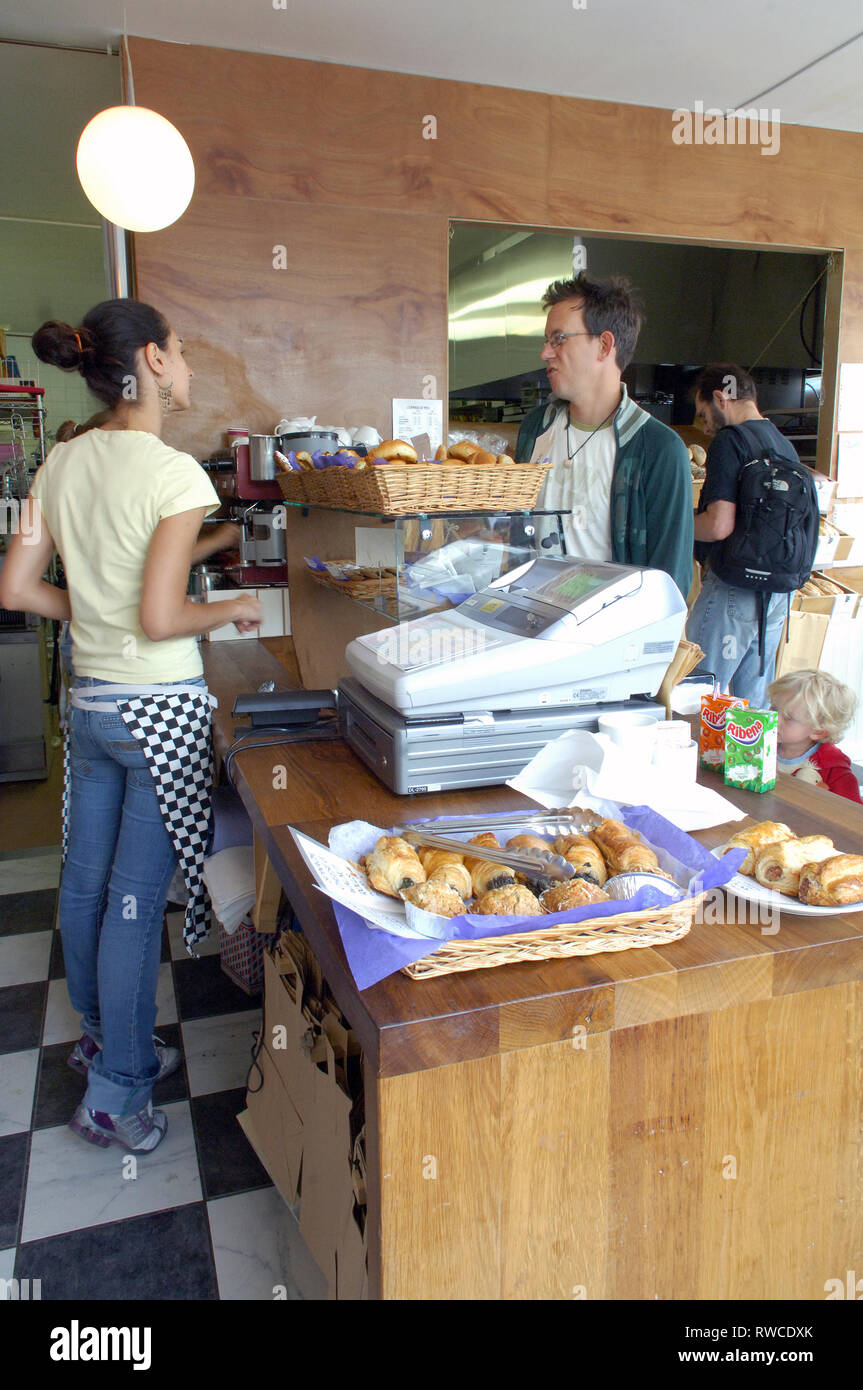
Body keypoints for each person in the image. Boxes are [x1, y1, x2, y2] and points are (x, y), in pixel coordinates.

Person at [0, 298, 263, 1154]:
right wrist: (228, 608)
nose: (187, 370)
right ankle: (118, 1090)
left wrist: (84, 611)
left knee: (87, 877)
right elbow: (158, 616)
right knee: (132, 899)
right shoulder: (176, 473)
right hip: (157, 708)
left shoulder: (62, 463)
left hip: (91, 704)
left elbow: (16, 589)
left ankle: (96, 1035)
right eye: (181, 354)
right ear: (149, 361)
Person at [515, 272, 693, 600]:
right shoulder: (535, 430)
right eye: (546, 340)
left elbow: (670, 587)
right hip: (530, 632)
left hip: (607, 642)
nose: (545, 353)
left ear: (604, 345)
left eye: (558, 339)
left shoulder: (657, 449)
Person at [687, 362, 816, 707]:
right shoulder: (783, 443)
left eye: (703, 414)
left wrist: (677, 523)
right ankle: (748, 762)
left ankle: (696, 762)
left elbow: (718, 525)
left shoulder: (731, 441)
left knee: (698, 694)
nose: (705, 426)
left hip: (734, 589)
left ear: (720, 398)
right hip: (777, 596)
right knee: (752, 707)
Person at [769, 669, 861, 802]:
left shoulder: (834, 770)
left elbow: (852, 815)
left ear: (817, 731)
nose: (774, 718)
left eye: (789, 717)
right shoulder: (759, 743)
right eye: (774, 709)